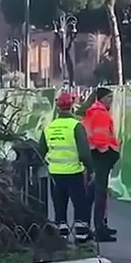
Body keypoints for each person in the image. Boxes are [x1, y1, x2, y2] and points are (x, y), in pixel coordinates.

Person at [38, 92, 94, 243]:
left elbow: (40, 151)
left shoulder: (49, 128)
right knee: (80, 205)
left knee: (59, 207)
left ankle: (61, 237)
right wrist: (91, 169)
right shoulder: (76, 126)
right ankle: (81, 237)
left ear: (57, 107)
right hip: (74, 173)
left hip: (55, 174)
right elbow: (84, 152)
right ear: (73, 106)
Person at [81, 86, 120, 242]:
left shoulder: (92, 112)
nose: (111, 101)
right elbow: (100, 136)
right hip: (101, 156)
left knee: (92, 192)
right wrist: (106, 152)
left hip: (95, 155)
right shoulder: (101, 113)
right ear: (102, 98)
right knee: (100, 193)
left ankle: (87, 226)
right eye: (109, 97)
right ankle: (99, 229)